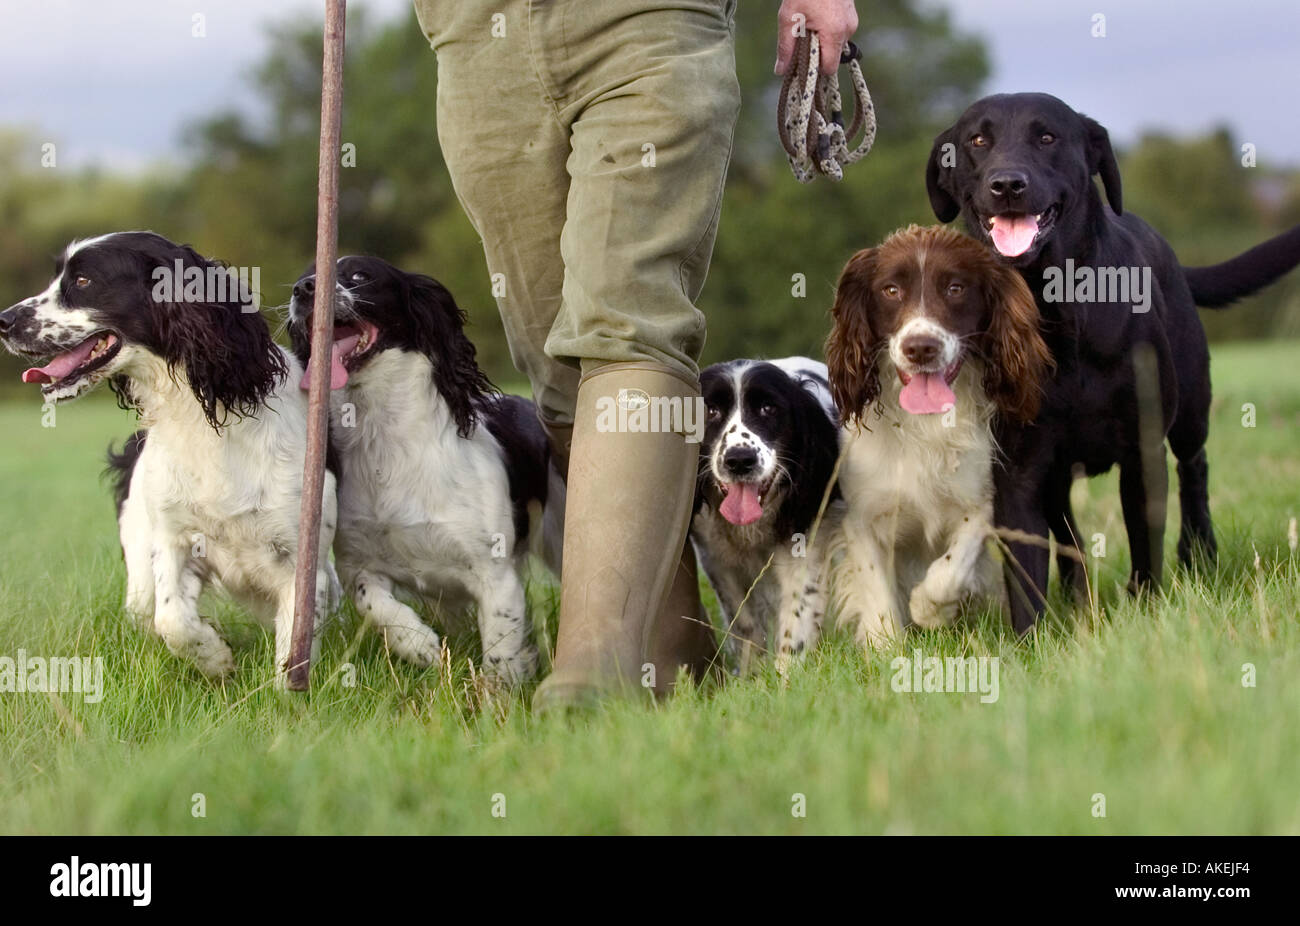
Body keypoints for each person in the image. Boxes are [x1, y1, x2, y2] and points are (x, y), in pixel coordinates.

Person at [413, 0, 860, 711]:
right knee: (556, 361)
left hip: (650, 17)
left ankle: (595, 670)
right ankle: (675, 663)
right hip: (475, 28)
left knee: (629, 318)